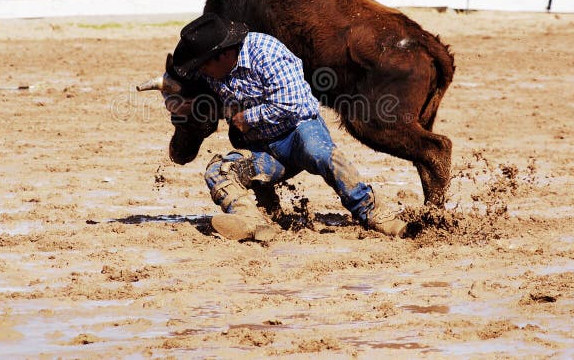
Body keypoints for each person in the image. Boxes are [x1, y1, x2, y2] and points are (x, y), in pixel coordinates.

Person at [167, 13, 408, 242]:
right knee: (218, 170)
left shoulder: (266, 52)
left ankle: (373, 212)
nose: (201, 72)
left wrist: (247, 118)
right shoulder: (214, 69)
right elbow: (192, 93)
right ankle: (250, 220)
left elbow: (290, 104)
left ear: (221, 56)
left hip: (299, 131)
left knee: (320, 153)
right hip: (265, 152)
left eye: (202, 66)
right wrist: (181, 102)